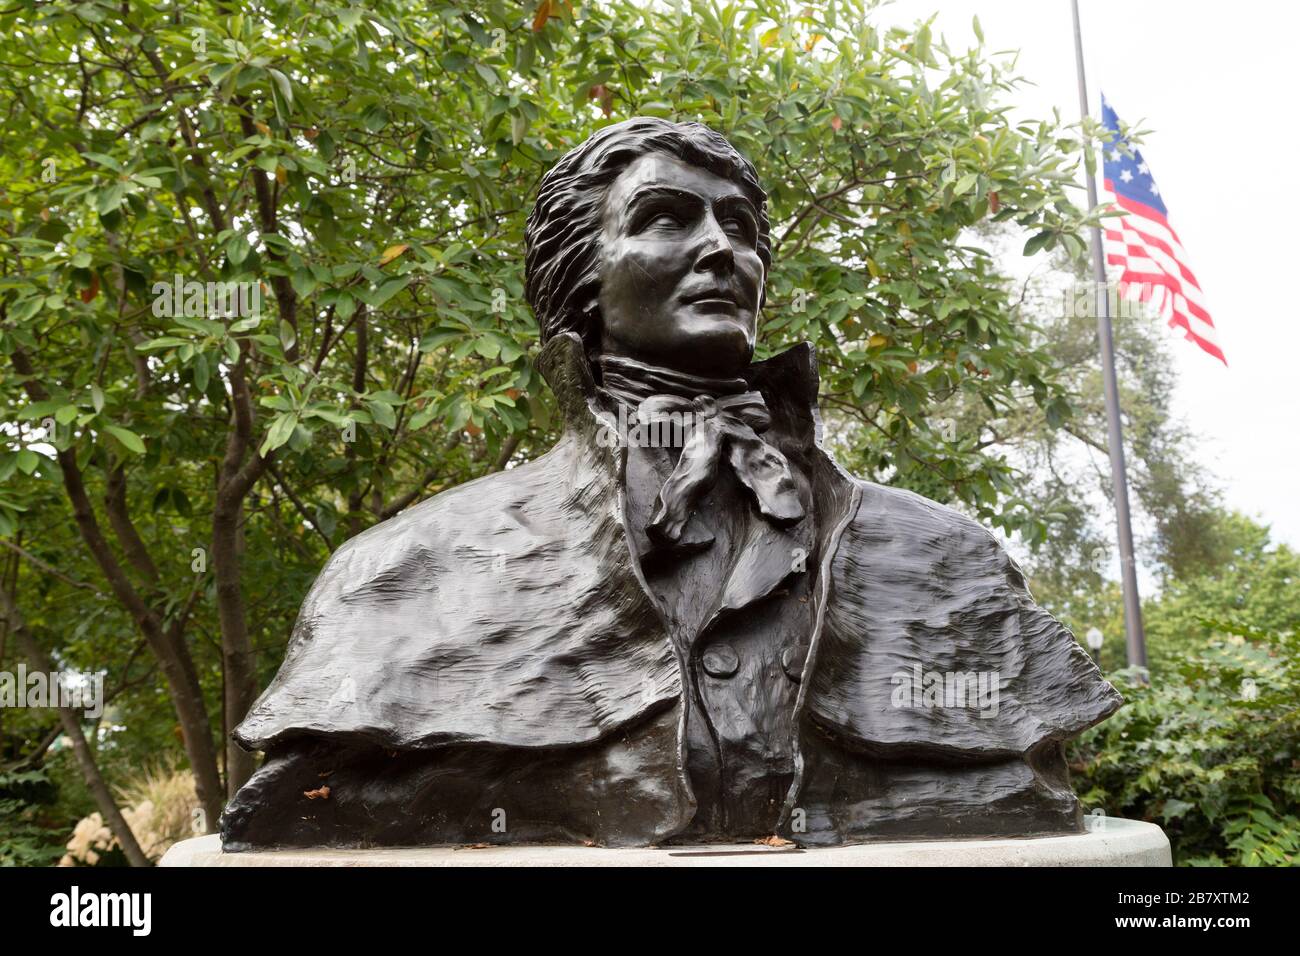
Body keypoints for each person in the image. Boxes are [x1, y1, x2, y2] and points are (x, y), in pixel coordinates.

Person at [221, 118, 1120, 850]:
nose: (721, 249)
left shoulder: (941, 555)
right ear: (582, 280)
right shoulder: (403, 574)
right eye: (665, 218)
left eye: (740, 228)